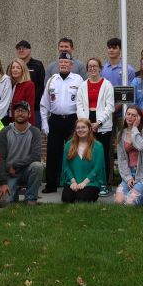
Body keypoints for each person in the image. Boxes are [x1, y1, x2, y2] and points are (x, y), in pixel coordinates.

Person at [40, 52, 82, 194]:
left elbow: (82, 102)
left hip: (72, 120)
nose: (63, 64)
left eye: (66, 62)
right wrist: (45, 123)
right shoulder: (52, 80)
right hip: (55, 120)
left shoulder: (78, 80)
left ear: (71, 64)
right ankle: (51, 184)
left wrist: (81, 121)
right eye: (61, 62)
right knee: (53, 153)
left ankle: (72, 183)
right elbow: (44, 103)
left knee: (73, 152)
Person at [0, 100, 43, 205]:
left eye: (23, 111)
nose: (20, 113)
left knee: (38, 166)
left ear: (29, 114)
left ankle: (30, 198)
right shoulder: (5, 131)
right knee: (4, 203)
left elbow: (36, 156)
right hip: (8, 173)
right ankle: (13, 192)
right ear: (13, 114)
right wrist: (3, 182)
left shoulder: (35, 131)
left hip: (25, 171)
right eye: (17, 111)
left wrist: (16, 165)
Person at [83, 57, 115, 195]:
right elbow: (79, 104)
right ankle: (90, 182)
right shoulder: (83, 85)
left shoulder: (107, 85)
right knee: (88, 154)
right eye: (90, 66)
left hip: (102, 125)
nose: (92, 68)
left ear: (100, 68)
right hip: (86, 124)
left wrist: (99, 122)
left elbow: (110, 106)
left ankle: (104, 184)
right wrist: (85, 122)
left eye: (95, 66)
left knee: (103, 155)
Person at [114, 105, 143, 206]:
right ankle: (138, 192)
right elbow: (122, 159)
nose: (130, 117)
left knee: (129, 203)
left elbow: (140, 146)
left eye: (133, 115)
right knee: (119, 201)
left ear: (139, 118)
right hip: (130, 173)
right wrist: (128, 177)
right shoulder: (121, 133)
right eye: (128, 114)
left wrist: (135, 128)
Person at [59, 117, 105, 203]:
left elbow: (97, 168)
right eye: (78, 128)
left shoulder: (98, 146)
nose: (81, 130)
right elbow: (66, 166)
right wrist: (73, 182)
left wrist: (84, 183)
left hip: (91, 182)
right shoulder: (69, 145)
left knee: (82, 199)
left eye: (83, 127)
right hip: (73, 181)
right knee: (67, 198)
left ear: (89, 129)